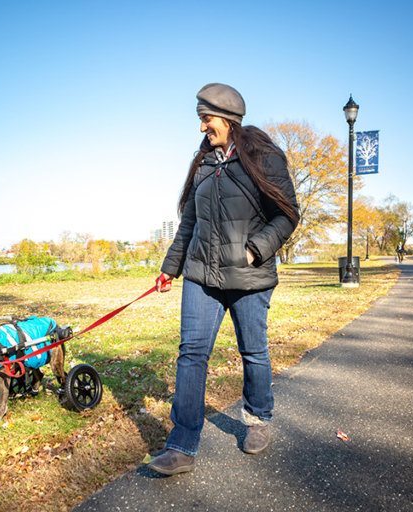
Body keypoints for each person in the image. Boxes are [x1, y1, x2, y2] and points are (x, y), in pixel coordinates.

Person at [148, 83, 300, 476]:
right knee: (191, 353)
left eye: (206, 119)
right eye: (201, 120)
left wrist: (254, 250)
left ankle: (258, 418)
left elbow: (287, 215)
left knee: (253, 350)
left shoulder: (265, 158)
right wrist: (170, 267)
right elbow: (189, 223)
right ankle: (181, 446)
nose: (202, 128)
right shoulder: (203, 163)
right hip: (201, 274)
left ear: (228, 119)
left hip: (249, 276)